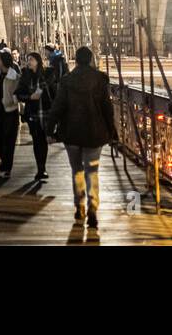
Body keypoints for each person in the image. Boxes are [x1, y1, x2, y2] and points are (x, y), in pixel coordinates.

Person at [46, 45, 117, 232]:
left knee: (77, 170)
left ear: (76, 60)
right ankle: (93, 208)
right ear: (91, 60)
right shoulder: (100, 80)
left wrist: (49, 129)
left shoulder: (67, 81)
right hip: (94, 133)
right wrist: (112, 132)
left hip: (72, 133)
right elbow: (107, 109)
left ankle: (80, 206)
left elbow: (58, 106)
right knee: (92, 171)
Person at [15, 52, 52, 180]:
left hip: (45, 112)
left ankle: (43, 167)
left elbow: (53, 91)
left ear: (37, 61)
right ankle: (40, 168)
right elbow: (19, 93)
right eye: (27, 59)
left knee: (43, 140)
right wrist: (30, 97)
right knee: (37, 140)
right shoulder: (25, 75)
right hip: (33, 112)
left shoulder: (46, 74)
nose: (29, 61)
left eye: (31, 59)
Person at [0, 50, 21, 178]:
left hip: (10, 111)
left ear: (4, 62)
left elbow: (18, 93)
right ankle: (5, 160)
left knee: (9, 140)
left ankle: (7, 167)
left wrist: (14, 100)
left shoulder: (15, 77)